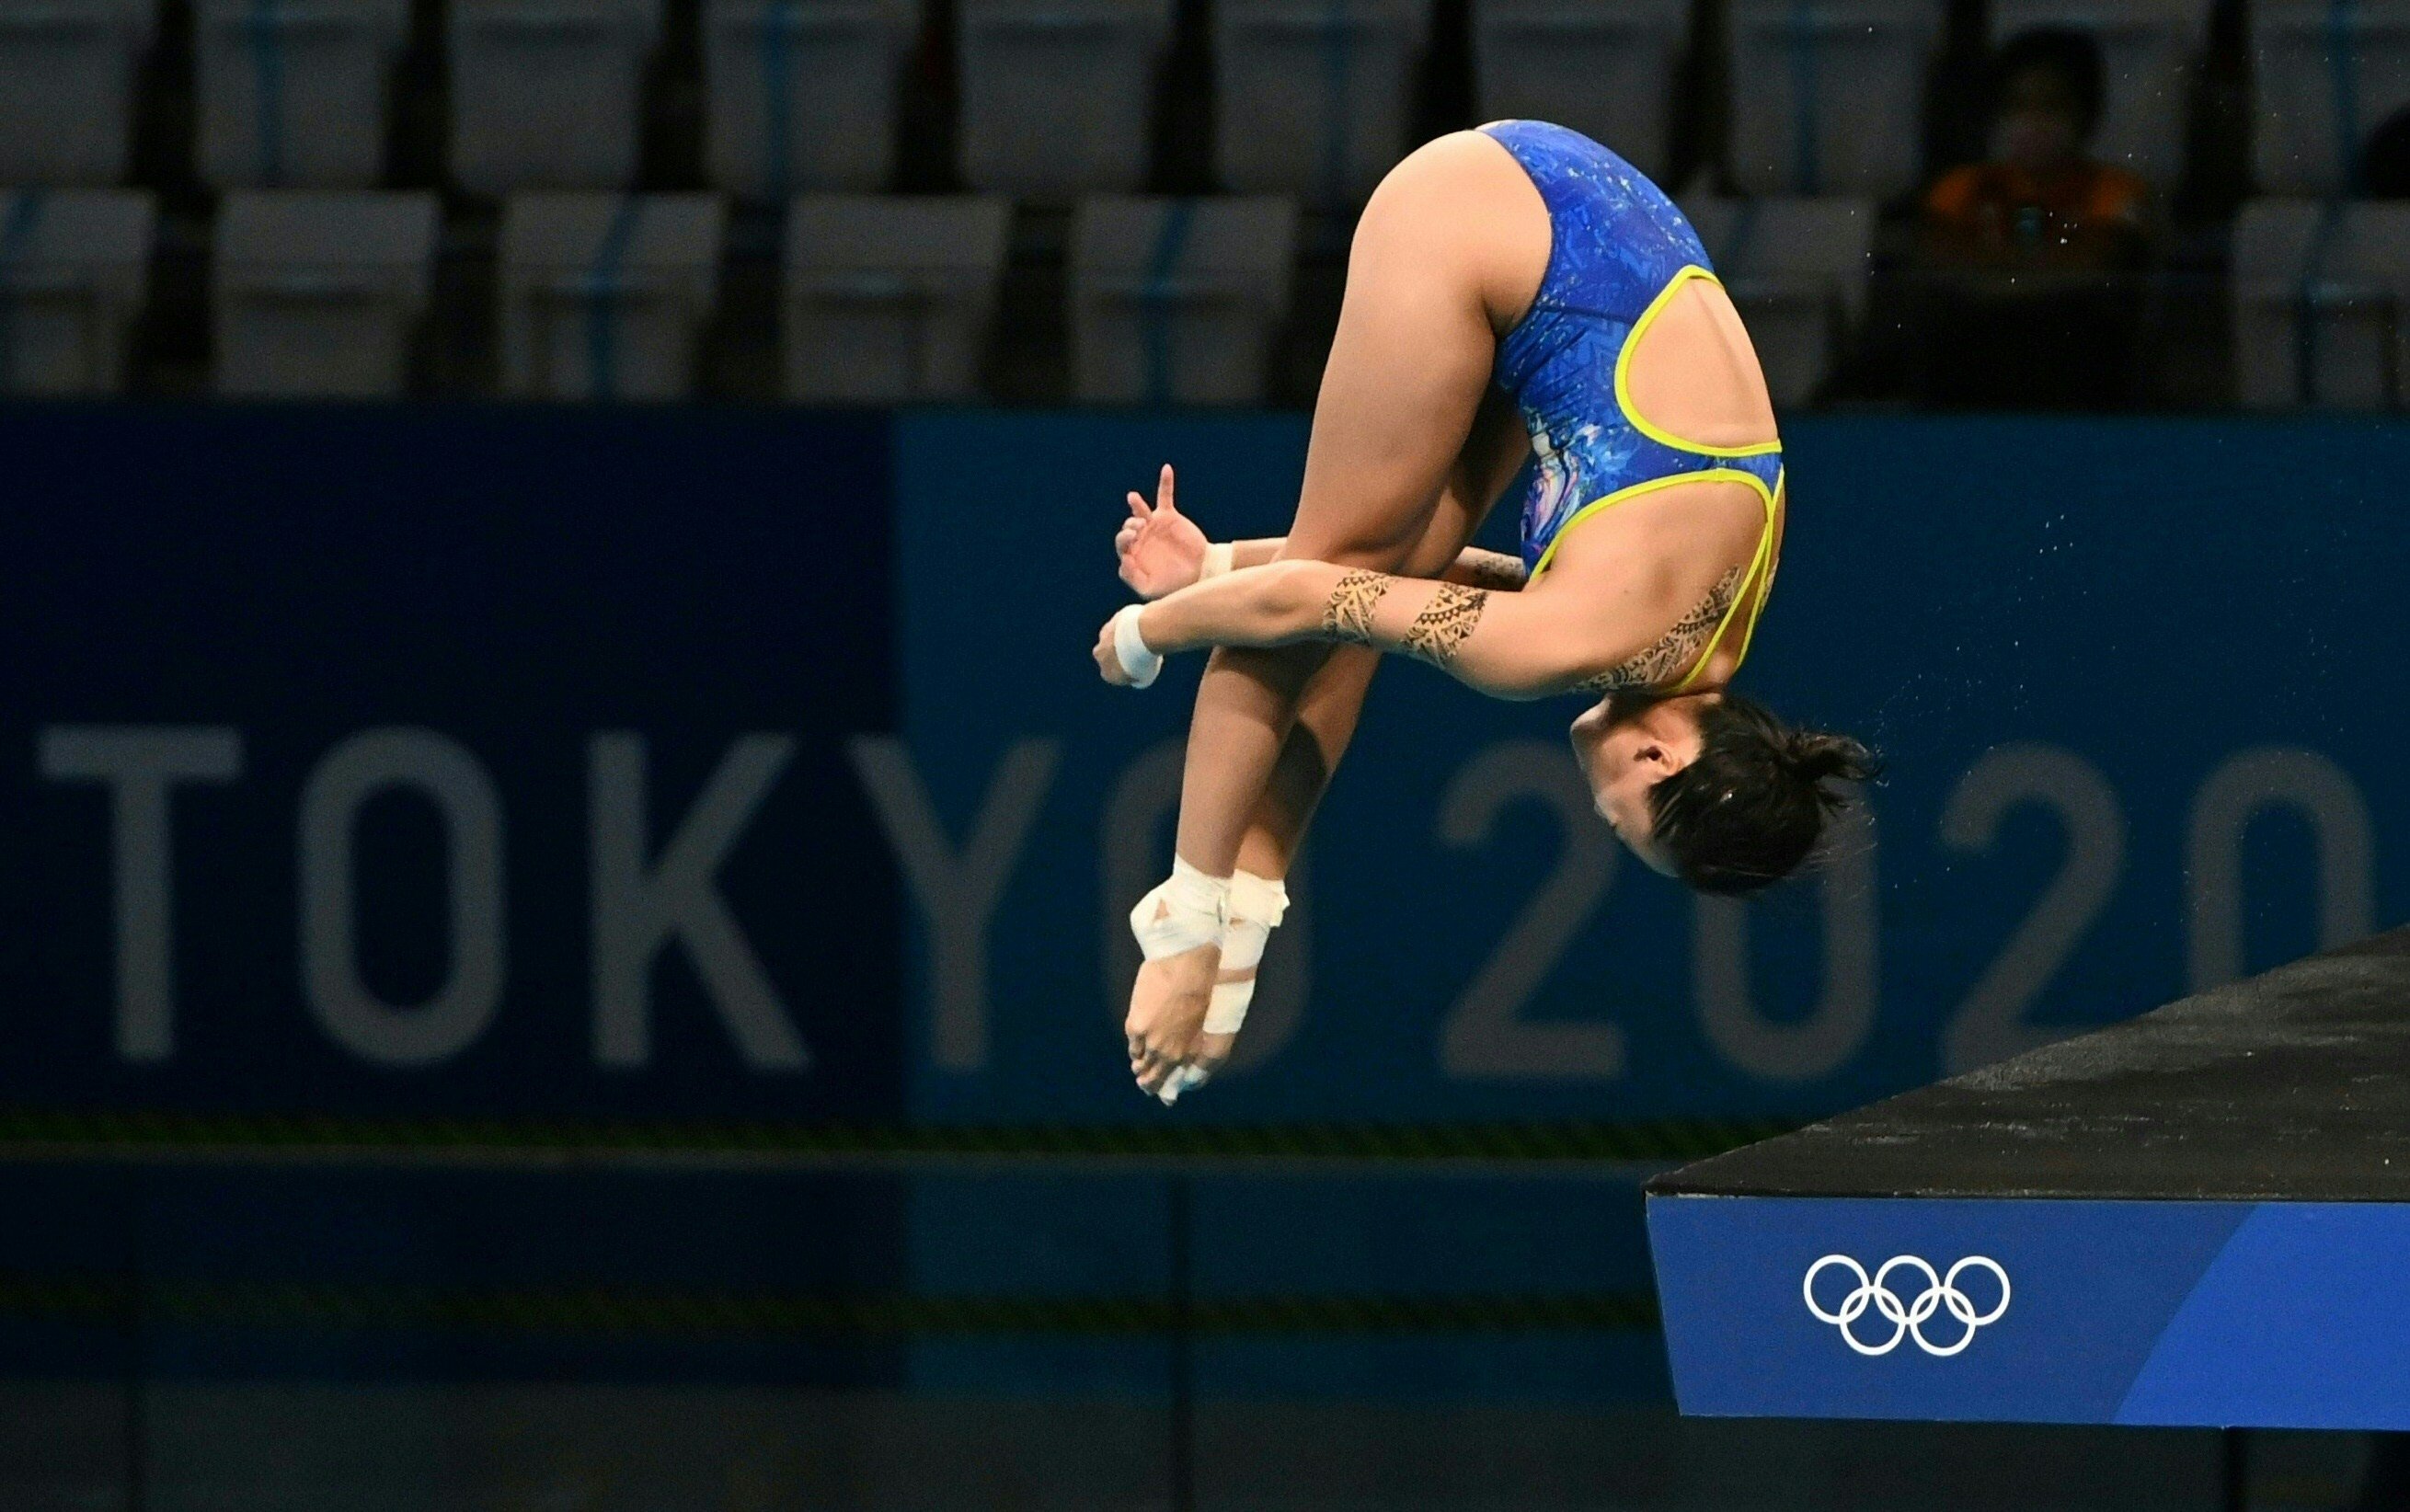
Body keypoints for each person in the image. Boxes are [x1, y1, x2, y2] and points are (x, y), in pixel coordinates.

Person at [1093, 121, 1876, 1104]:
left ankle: (1237, 920)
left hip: (1584, 220)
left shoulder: (1693, 637)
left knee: (1368, 578)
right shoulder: (1569, 645)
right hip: (1486, 222)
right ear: (1657, 763)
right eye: (1620, 825)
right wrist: (1142, 638)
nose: (1597, 811)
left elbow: (1408, 586)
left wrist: (1211, 564)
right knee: (1319, 603)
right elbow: (1301, 602)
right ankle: (1184, 921)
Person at [1916, 27, 2152, 405]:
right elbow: (1941, 264)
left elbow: (2092, 265)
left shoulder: (2116, 189)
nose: (2032, 119)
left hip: (2073, 367)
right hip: (1975, 361)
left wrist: (1995, 278)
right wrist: (2037, 276)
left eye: (2051, 105)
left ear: (2085, 113)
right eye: (2017, 104)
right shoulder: (1960, 186)